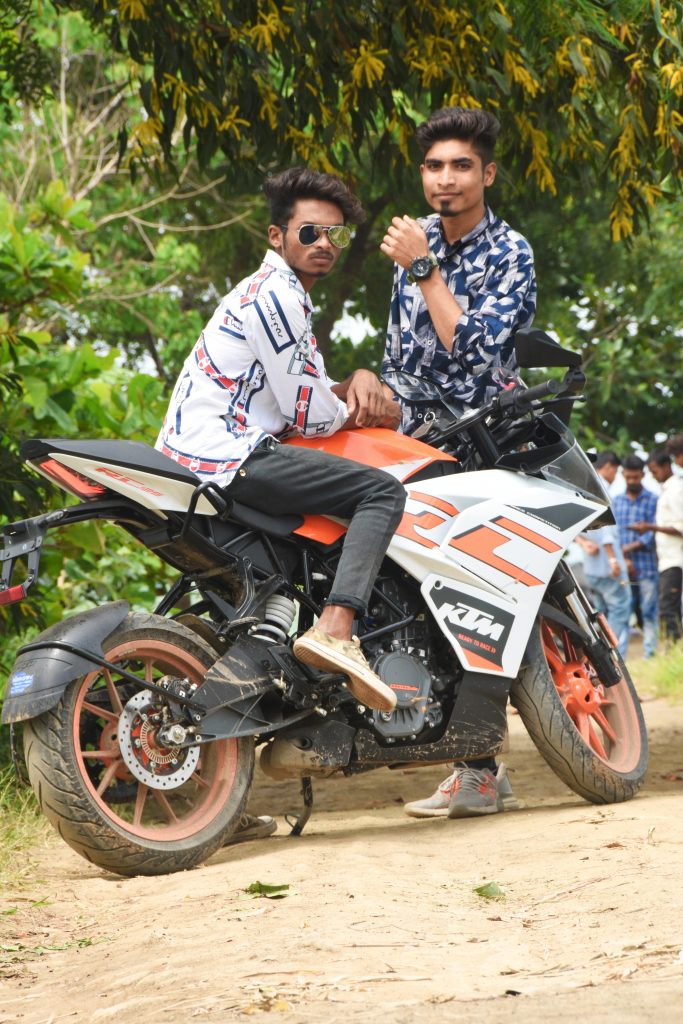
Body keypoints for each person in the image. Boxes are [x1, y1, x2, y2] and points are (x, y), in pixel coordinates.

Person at [158, 167, 407, 840]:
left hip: (196, 461)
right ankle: (337, 630)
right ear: (277, 235)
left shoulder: (270, 295)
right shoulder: (280, 295)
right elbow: (308, 409)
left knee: (267, 601)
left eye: (334, 232)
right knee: (380, 491)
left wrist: (341, 383)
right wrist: (359, 392)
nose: (323, 242)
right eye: (309, 231)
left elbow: (293, 392)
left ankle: (213, 801)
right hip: (227, 457)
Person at [380, 106, 535, 819]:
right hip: (412, 449)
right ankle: (472, 761)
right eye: (434, 166)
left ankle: (477, 767)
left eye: (460, 166)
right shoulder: (408, 251)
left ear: (487, 173)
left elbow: (474, 352)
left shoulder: (510, 253)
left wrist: (422, 267)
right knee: (409, 600)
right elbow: (399, 359)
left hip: (482, 444)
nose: (445, 179)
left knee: (477, 602)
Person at [632, 450, 683, 644]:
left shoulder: (676, 490)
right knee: (669, 607)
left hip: (675, 559)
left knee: (668, 608)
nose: (653, 475)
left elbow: (681, 527)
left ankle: (674, 649)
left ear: (665, 466)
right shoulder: (667, 489)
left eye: (654, 470)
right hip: (666, 559)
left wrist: (649, 527)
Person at [613, 455, 659, 658]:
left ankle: (650, 655)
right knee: (623, 613)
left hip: (647, 567)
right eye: (628, 477)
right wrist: (624, 557)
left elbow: (653, 533)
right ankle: (619, 658)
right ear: (623, 475)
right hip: (624, 568)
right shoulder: (616, 502)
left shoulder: (655, 500)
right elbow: (613, 534)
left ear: (643, 475)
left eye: (636, 477)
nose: (632, 481)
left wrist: (628, 548)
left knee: (649, 613)